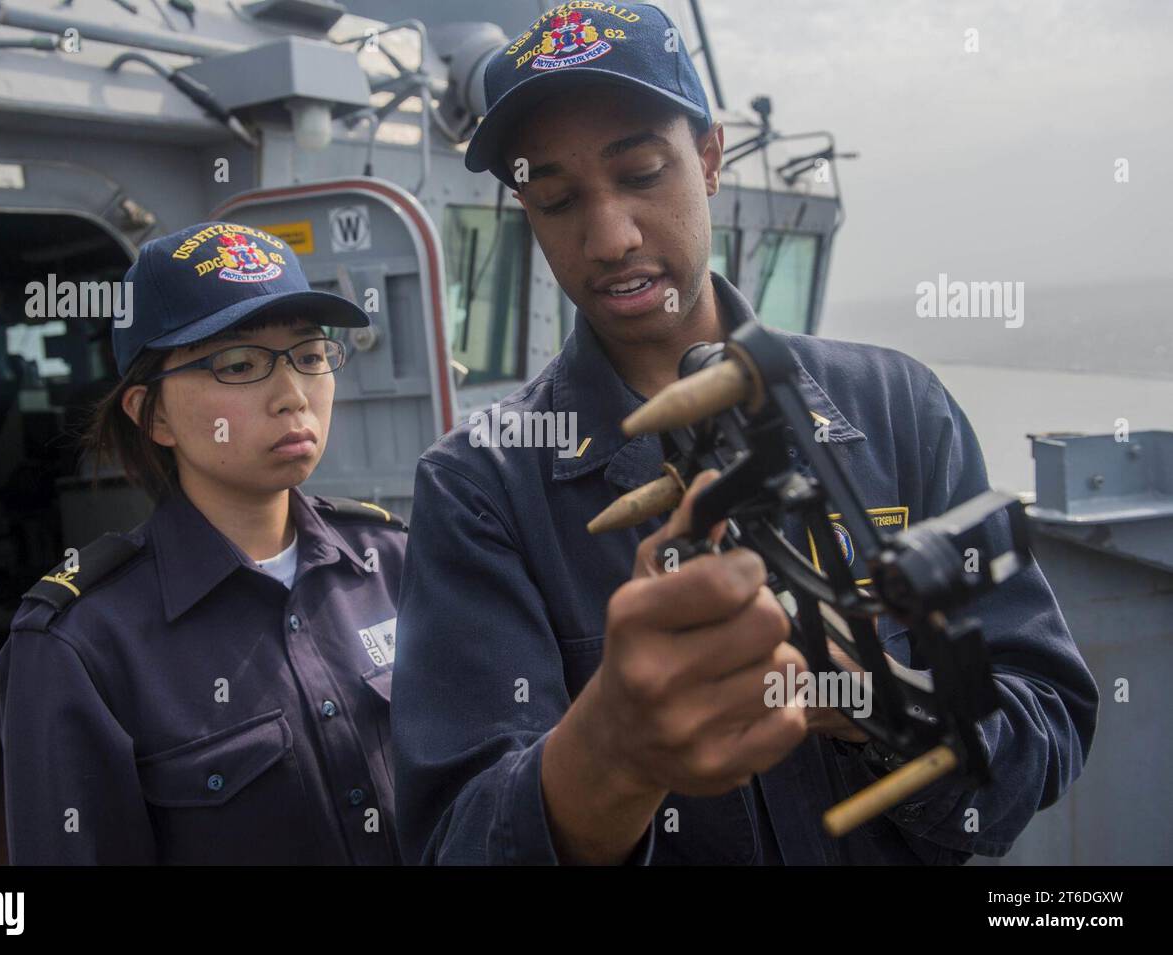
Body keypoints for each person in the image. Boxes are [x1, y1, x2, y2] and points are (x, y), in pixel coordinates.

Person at [391, 2, 1099, 864]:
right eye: (556, 198)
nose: (610, 237)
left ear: (711, 157)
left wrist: (871, 695)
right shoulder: (479, 488)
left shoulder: (901, 409)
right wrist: (613, 746)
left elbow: (1048, 722)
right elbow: (457, 842)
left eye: (644, 171)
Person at [0, 221, 406, 864]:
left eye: (310, 355)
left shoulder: (392, 563)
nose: (293, 396)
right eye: (239, 365)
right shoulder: (83, 646)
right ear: (152, 414)